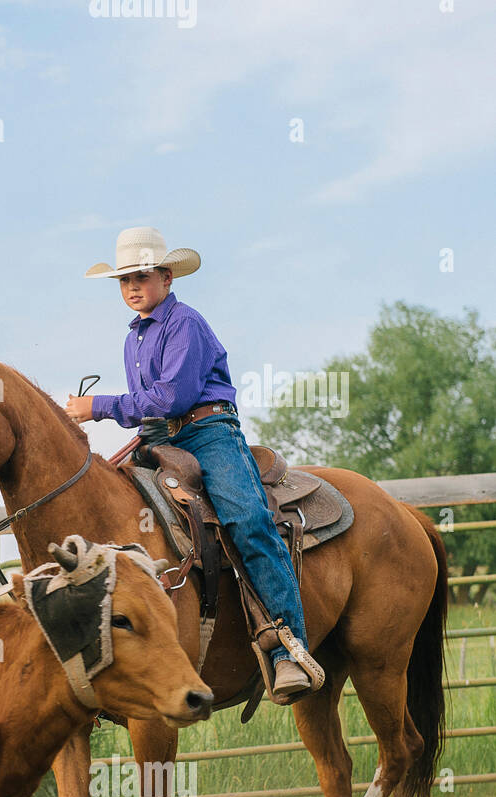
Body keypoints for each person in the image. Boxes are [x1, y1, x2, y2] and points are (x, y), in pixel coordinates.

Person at [65, 226, 324, 703]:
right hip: (165, 437)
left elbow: (170, 397)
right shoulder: (134, 339)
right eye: (124, 281)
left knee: (247, 520)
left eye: (141, 276)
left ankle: (289, 647)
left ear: (166, 276)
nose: (132, 287)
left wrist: (97, 405)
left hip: (209, 433)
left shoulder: (184, 323)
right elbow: (152, 409)